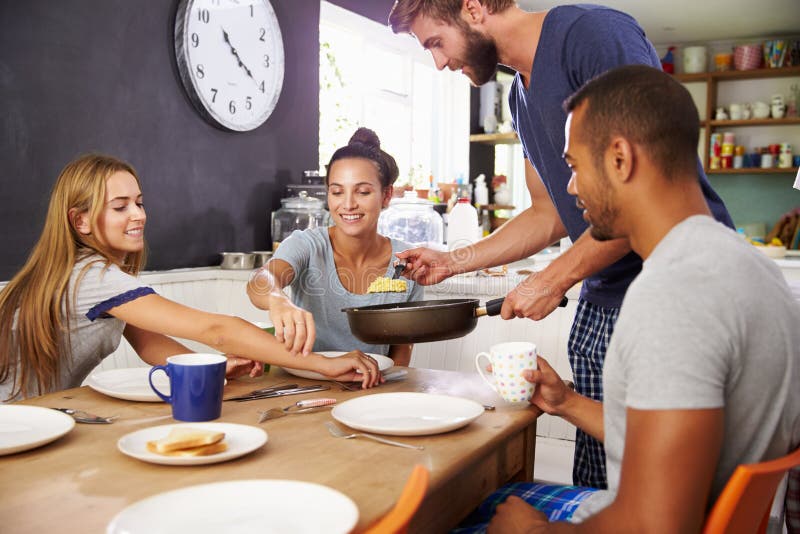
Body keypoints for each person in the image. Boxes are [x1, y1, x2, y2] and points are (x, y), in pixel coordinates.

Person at [388, 0, 734, 488]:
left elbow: (644, 188)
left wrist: (555, 277)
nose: (439, 62)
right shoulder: (519, 99)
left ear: (472, 8)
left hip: (677, 290)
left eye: (435, 43)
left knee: (669, 478)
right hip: (603, 298)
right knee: (601, 477)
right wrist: (452, 261)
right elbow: (547, 213)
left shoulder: (590, 35)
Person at [455, 65, 800, 533]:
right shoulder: (754, 270)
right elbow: (688, 442)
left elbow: (655, 525)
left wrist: (535, 531)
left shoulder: (671, 295)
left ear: (620, 158)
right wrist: (566, 402)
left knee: (449, 512)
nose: (571, 187)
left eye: (574, 167)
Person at [0, 154, 381, 402]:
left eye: (139, 201)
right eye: (120, 207)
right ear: (79, 221)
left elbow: (150, 345)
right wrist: (323, 365)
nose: (138, 215)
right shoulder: (93, 276)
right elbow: (216, 329)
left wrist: (213, 368)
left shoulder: (93, 276)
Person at [247, 128, 423, 366]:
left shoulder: (405, 261)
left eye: (362, 192)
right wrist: (277, 299)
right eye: (337, 192)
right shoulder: (307, 246)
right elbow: (261, 281)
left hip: (372, 387)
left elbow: (402, 350)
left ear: (386, 194)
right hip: (304, 384)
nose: (348, 204)